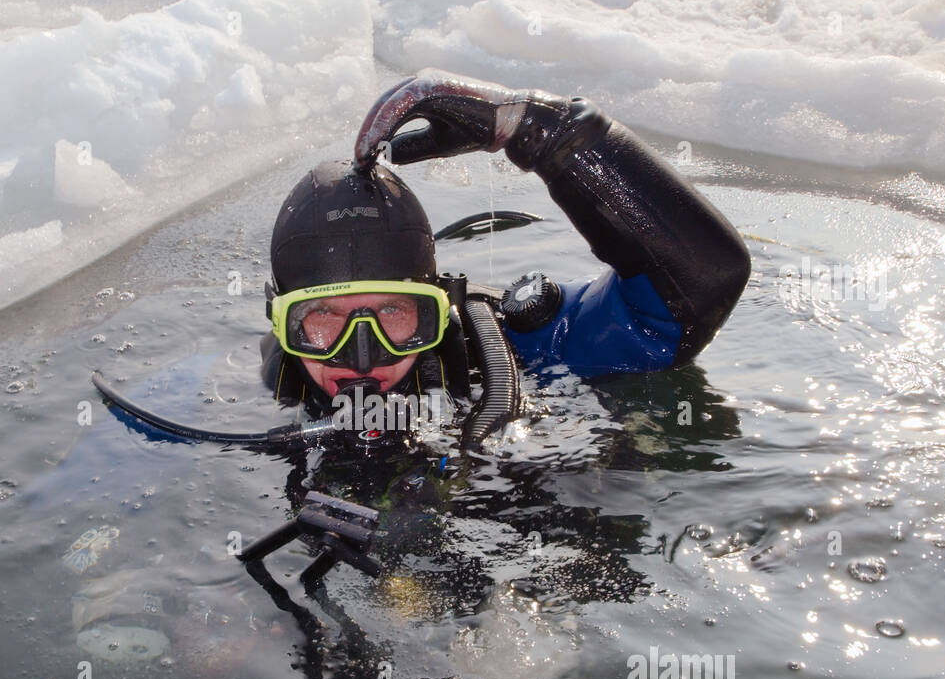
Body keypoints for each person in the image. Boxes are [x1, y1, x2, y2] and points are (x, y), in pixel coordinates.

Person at [260, 69, 752, 422]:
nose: (364, 357)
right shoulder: (221, 400)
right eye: (322, 317)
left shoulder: (501, 355)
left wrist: (546, 134)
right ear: (280, 320)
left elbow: (702, 282)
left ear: (441, 306)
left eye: (394, 313)